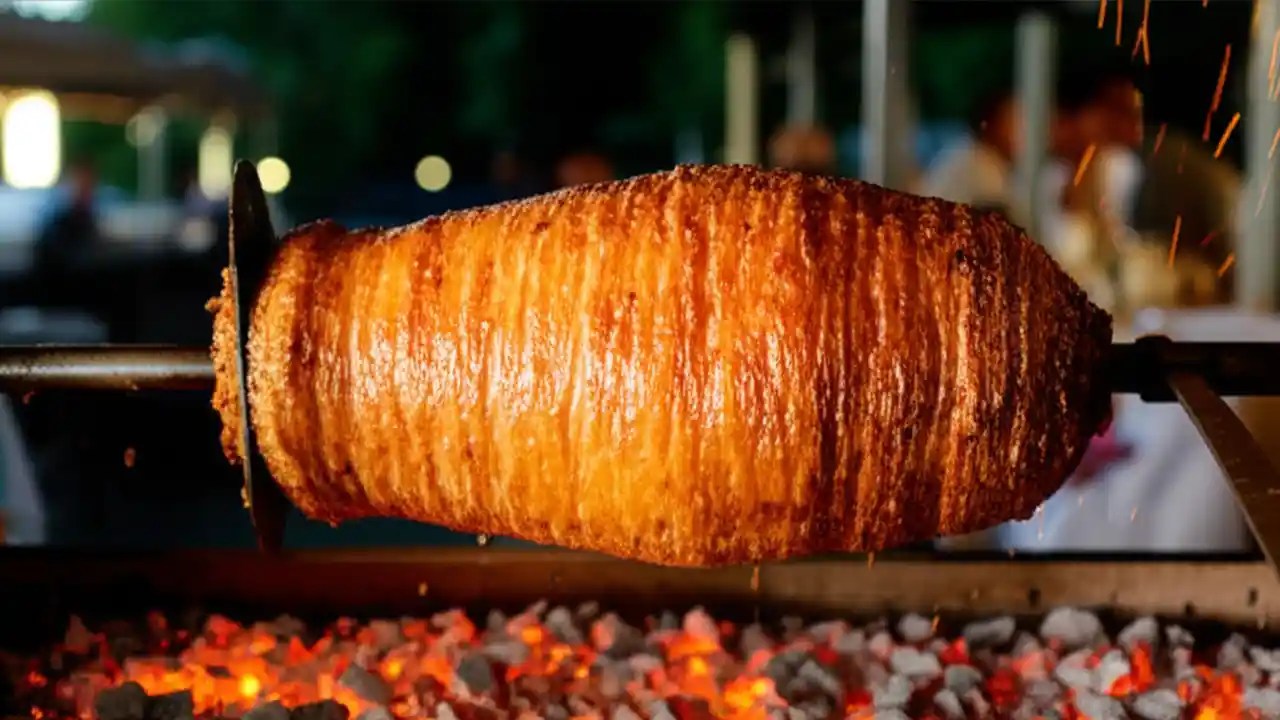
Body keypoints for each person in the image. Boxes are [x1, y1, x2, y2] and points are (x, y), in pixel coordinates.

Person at [918, 88, 1022, 222]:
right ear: (991, 124)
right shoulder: (979, 165)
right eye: (1012, 122)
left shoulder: (972, 154)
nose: (1020, 132)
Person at [32, 159, 101, 302]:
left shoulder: (85, 217)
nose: (87, 188)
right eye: (82, 182)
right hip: (59, 295)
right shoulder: (57, 220)